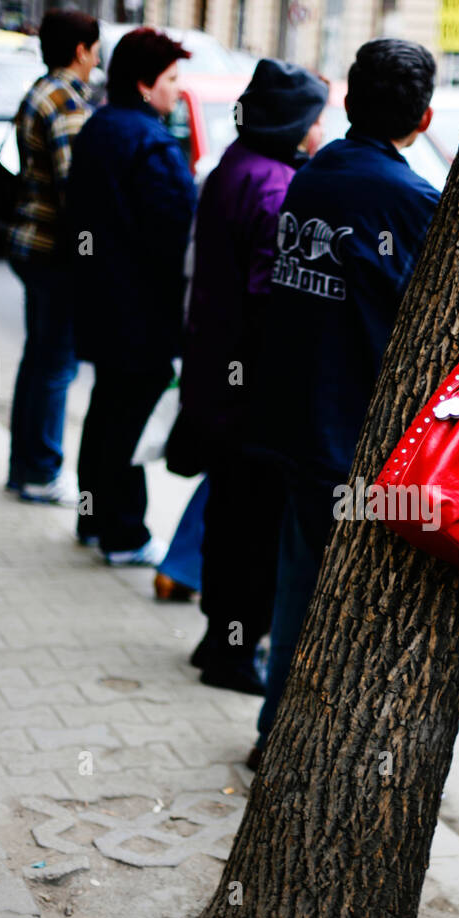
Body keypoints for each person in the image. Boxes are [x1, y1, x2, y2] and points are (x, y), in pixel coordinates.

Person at [241, 38, 440, 765]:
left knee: (299, 584)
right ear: (422, 117)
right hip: (357, 432)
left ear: (349, 103)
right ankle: (301, 749)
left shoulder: (316, 172)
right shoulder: (415, 200)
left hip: (298, 416)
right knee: (349, 604)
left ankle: (274, 734)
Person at [172, 58, 329, 692]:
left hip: (214, 369)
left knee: (229, 514)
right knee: (253, 522)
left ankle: (219, 638)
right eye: (315, 120)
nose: (320, 132)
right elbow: (268, 296)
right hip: (250, 386)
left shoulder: (234, 166)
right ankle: (234, 651)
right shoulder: (274, 188)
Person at [66, 28, 197, 565]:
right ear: (144, 84)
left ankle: (93, 517)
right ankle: (123, 533)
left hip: (99, 296)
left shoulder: (99, 127)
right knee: (129, 416)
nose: (175, 90)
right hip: (140, 307)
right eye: (169, 80)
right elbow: (174, 233)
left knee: (107, 408)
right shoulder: (151, 144)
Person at [7, 9, 100, 504]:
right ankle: (41, 472)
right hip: (53, 252)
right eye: (95, 48)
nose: (98, 58)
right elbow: (74, 189)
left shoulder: (39, 89)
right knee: (56, 364)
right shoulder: (66, 101)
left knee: (37, 357)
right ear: (81, 50)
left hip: (29, 243)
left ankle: (23, 466)